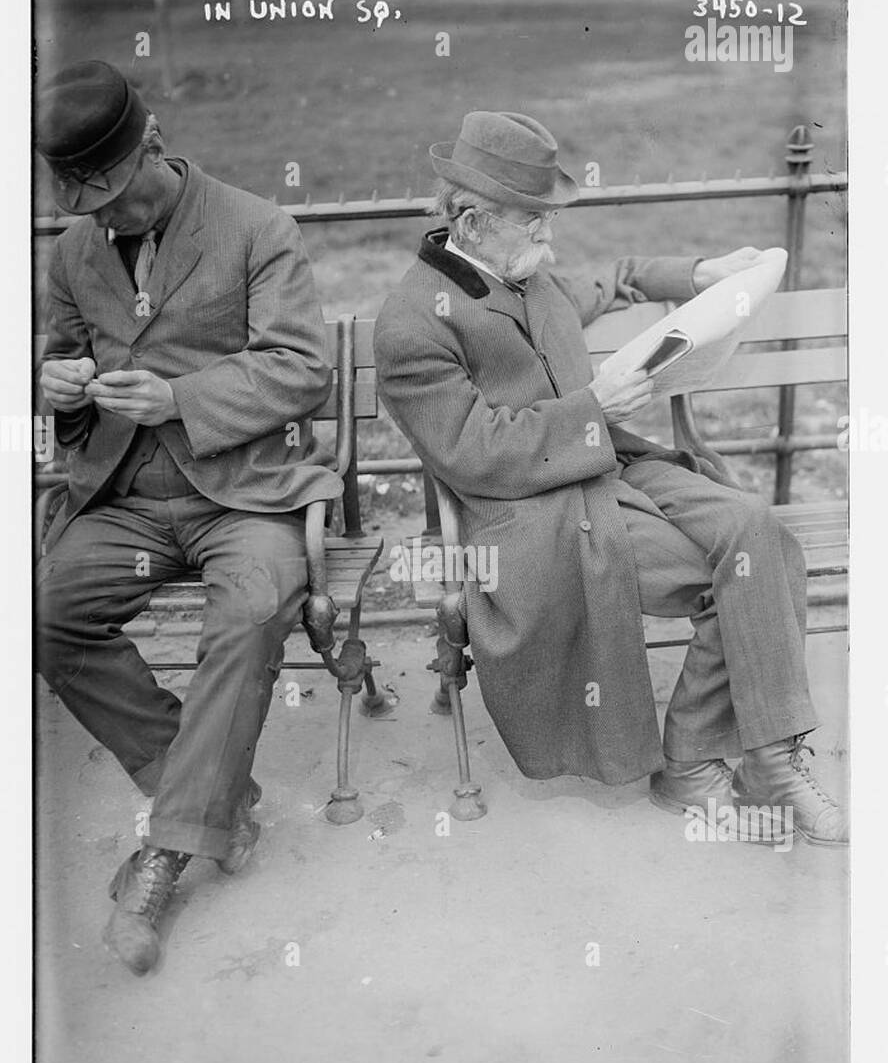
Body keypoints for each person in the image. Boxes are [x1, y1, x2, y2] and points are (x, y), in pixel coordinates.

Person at [373, 110, 846, 848]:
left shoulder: (522, 272)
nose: (549, 239)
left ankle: (768, 758)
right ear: (470, 220)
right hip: (534, 518)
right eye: (535, 223)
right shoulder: (412, 324)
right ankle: (703, 764)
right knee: (729, 572)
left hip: (613, 467)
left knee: (758, 531)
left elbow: (614, 281)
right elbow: (470, 452)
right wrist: (594, 409)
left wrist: (700, 276)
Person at [36, 60, 340, 974]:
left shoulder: (257, 225)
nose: (109, 218)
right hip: (123, 498)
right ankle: (211, 795)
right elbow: (64, 369)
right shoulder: (71, 250)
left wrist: (177, 396)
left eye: (121, 195)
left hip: (243, 493)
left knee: (250, 613)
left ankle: (167, 853)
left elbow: (301, 368)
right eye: (91, 204)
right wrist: (57, 390)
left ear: (156, 146)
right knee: (45, 614)